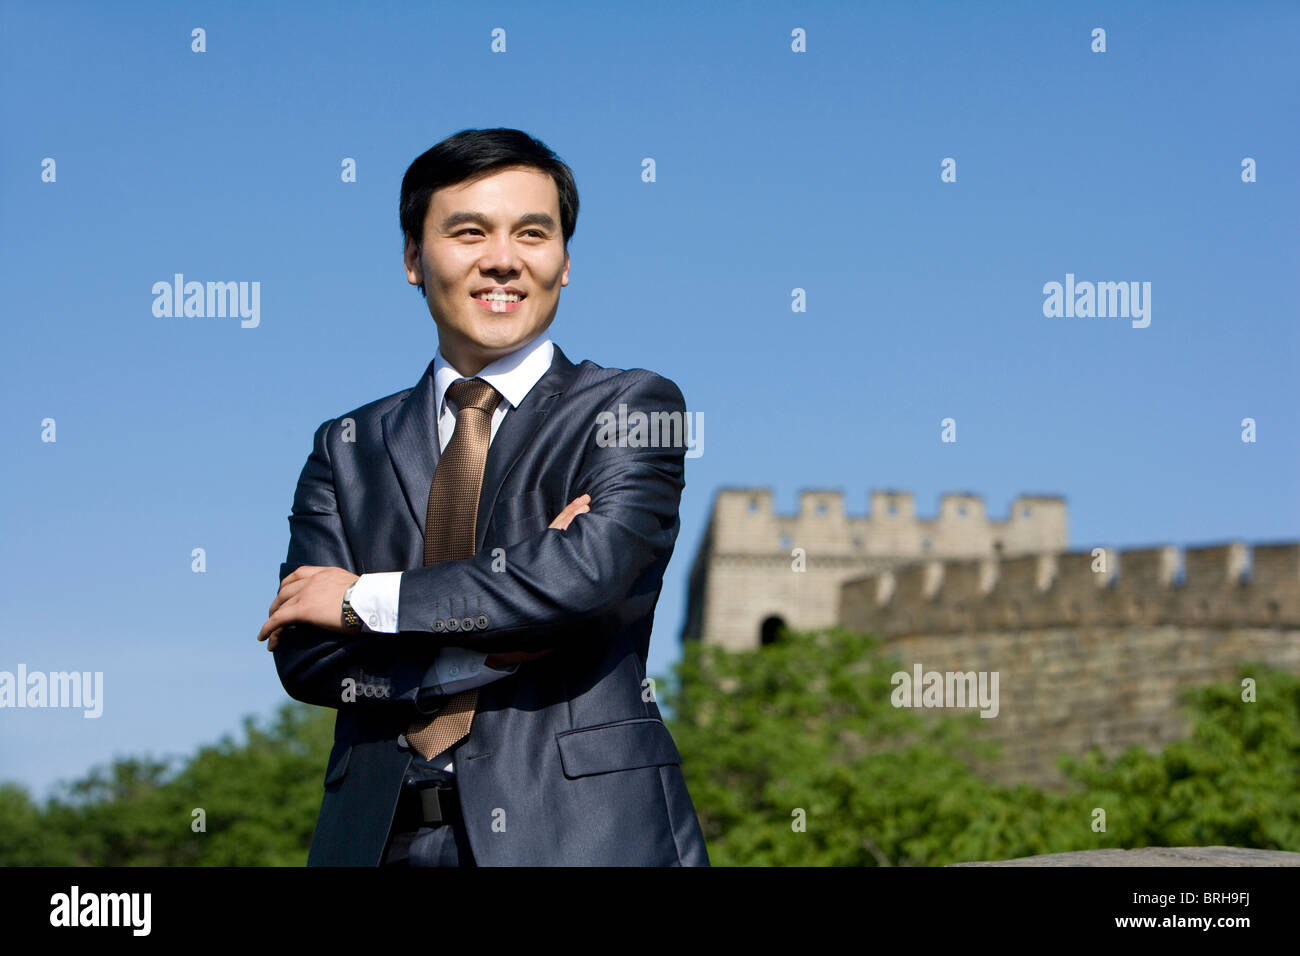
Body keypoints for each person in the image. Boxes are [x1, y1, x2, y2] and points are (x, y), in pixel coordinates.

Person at [256, 127, 710, 867]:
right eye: (469, 232)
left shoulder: (631, 406)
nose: (503, 258)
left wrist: (363, 601)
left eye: (533, 233)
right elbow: (305, 655)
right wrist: (498, 636)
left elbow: (588, 577)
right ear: (412, 259)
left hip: (582, 836)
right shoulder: (346, 444)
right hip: (374, 841)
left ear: (565, 263)